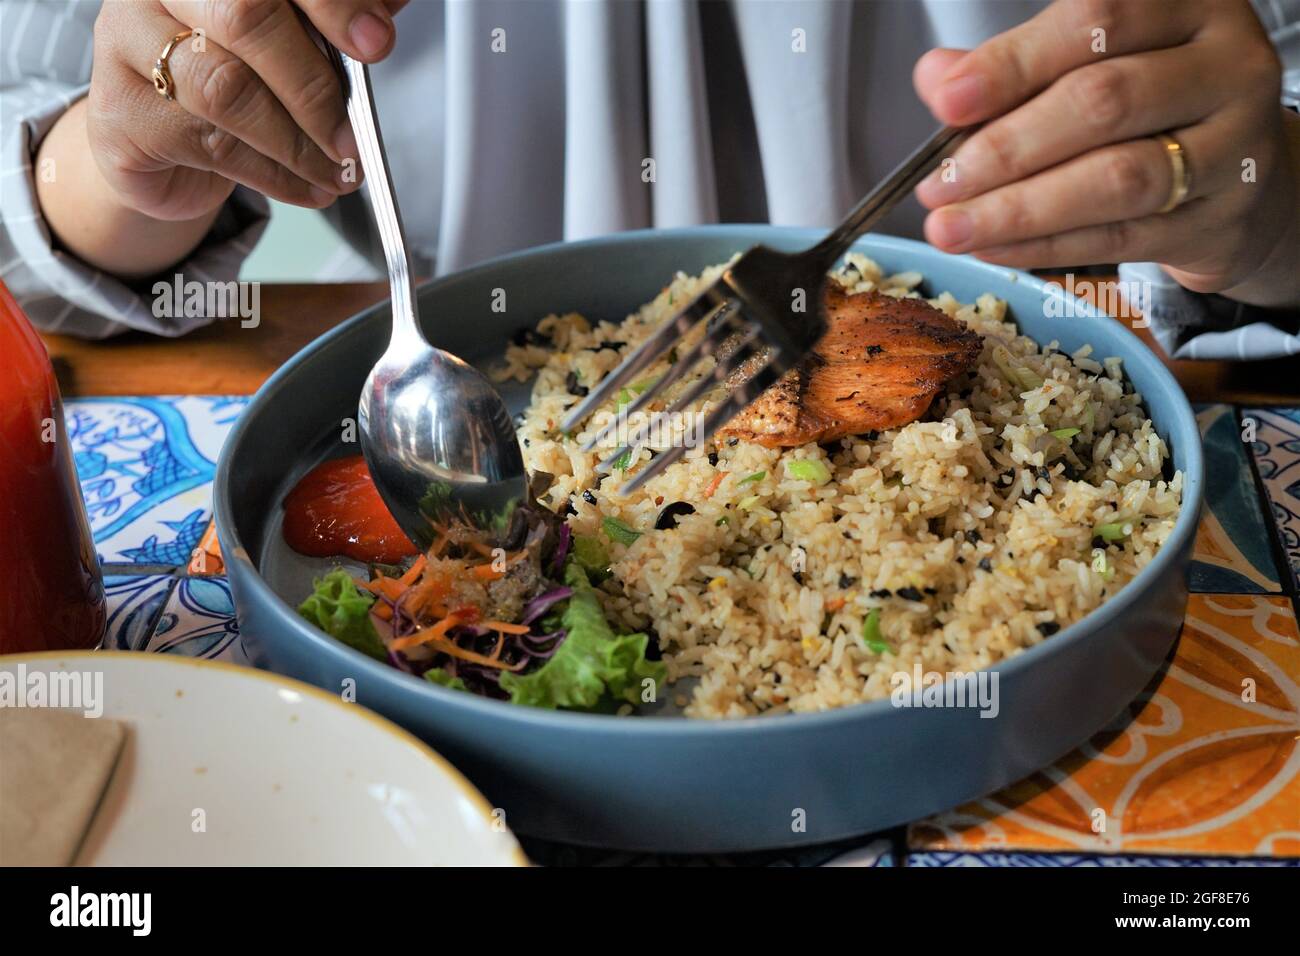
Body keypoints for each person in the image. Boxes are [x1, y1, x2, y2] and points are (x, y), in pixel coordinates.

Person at [3, 0, 1298, 358]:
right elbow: (43, 149)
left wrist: (1268, 198)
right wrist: (121, 166)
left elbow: (1269, 103)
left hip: (1059, 361)